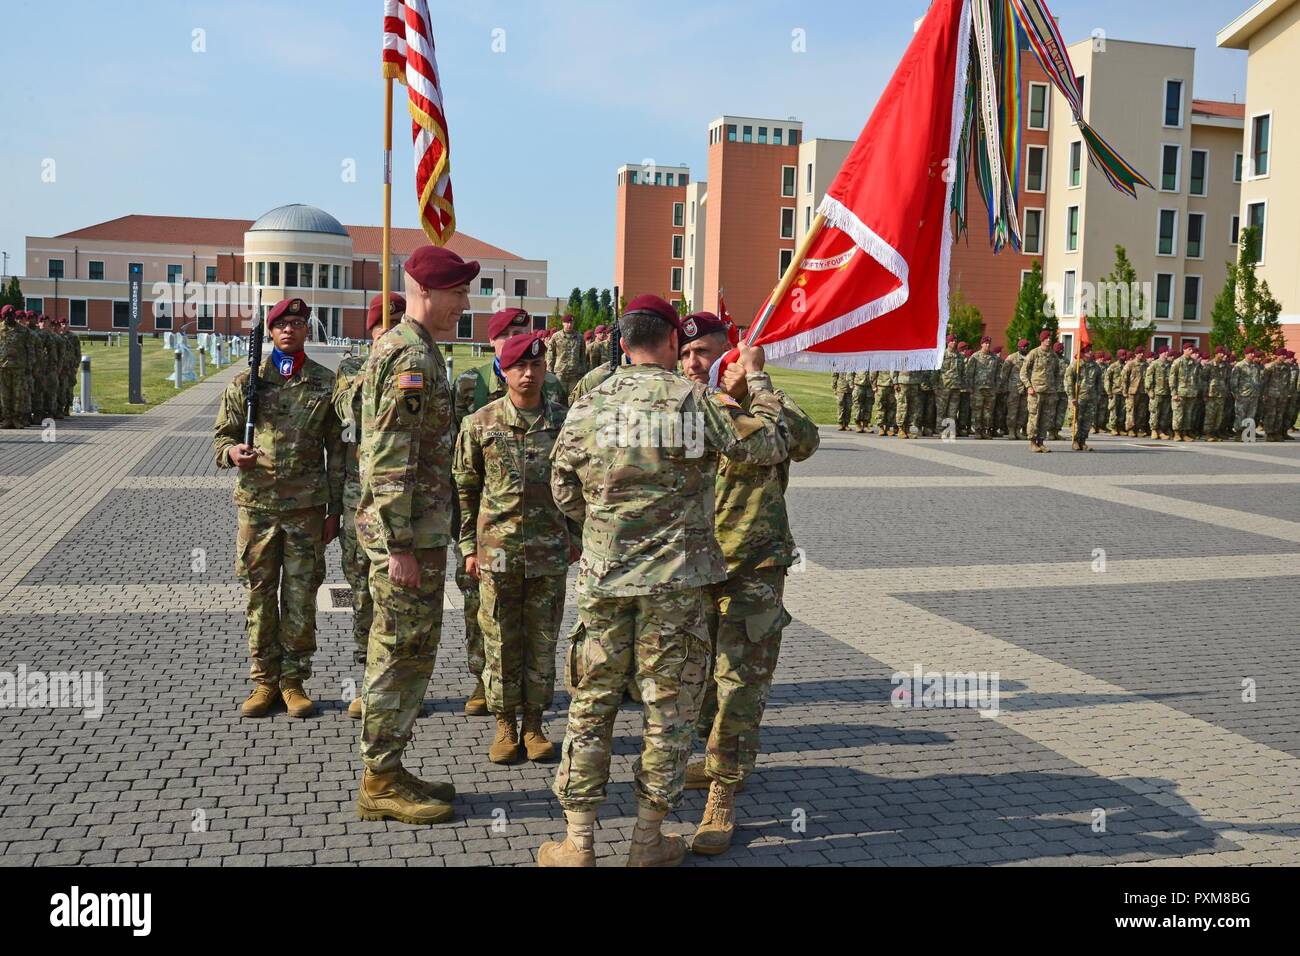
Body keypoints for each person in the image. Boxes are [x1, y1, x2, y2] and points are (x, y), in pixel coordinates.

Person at [540, 295, 788, 868]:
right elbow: (769, 445)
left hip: (603, 581)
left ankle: (577, 844)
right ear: (673, 342)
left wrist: (605, 529)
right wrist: (757, 378)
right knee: (667, 710)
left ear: (623, 343)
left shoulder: (590, 401)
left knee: (591, 705)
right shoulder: (694, 401)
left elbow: (560, 484)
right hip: (675, 585)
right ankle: (647, 840)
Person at [676, 311, 819, 856]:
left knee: (740, 684)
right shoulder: (681, 410)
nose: (695, 363)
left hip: (752, 571)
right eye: (687, 354)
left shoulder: (768, 410)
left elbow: (801, 441)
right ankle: (711, 759)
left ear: (731, 355)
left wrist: (757, 381)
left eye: (706, 353)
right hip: (693, 569)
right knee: (700, 681)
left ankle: (723, 794)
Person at [354, 246, 477, 825]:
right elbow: (388, 456)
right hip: (406, 538)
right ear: (428, 292)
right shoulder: (410, 356)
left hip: (418, 531)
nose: (465, 303)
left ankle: (391, 766)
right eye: (458, 292)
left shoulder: (419, 350)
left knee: (411, 651)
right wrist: (399, 545)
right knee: (398, 653)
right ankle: (379, 779)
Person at [213, 297, 343, 719]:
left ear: (308, 329)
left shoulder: (325, 383)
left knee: (302, 596)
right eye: (281, 324)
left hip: (306, 508)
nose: (289, 329)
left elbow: (336, 449)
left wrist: (334, 510)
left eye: (298, 323)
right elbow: (221, 437)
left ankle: (294, 682)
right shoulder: (247, 382)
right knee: (259, 595)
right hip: (258, 507)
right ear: (269, 332)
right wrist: (234, 453)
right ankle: (264, 681)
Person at [454, 331, 577, 764]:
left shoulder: (565, 422)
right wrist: (468, 545)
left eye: (536, 365)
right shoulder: (479, 424)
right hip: (497, 551)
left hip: (548, 552)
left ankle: (535, 725)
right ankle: (505, 724)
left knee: (542, 640)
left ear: (546, 369)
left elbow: (582, 486)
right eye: (519, 367)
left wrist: (576, 538)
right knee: (501, 640)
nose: (528, 374)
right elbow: (465, 490)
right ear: (503, 371)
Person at [333, 292, 404, 719]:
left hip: (401, 505)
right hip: (359, 505)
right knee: (363, 596)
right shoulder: (351, 368)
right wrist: (376, 365)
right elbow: (348, 410)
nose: (391, 334)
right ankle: (366, 682)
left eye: (398, 326)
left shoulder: (413, 365)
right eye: (384, 327)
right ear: (372, 330)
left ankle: (396, 685)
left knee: (398, 601)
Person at [1020, 330, 1056, 453]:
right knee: (1034, 417)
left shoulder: (1052, 355)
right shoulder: (1034, 353)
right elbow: (1023, 372)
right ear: (1042, 340)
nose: (1049, 340)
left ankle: (1041, 442)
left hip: (1049, 391)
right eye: (1046, 338)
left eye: (1050, 338)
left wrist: (1054, 387)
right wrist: (1028, 386)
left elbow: (1056, 372)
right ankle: (1032, 442)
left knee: (1045, 419)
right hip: (1035, 392)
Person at [1064, 343, 1103, 451]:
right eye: (1087, 350)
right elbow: (1068, 382)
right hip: (1078, 398)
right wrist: (1071, 397)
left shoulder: (1095, 366)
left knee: (1087, 421)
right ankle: (1075, 441)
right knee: (1077, 420)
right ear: (1082, 352)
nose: (1090, 352)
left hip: (1091, 398)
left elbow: (1099, 382)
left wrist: (1098, 395)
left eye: (1091, 350)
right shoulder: (1075, 365)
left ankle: (1083, 441)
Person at [0, 305, 29, 429]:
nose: (9, 318)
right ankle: (7, 419)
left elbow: (30, 349)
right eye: (7, 315)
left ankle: (16, 418)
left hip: (19, 366)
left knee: (18, 394)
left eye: (11, 315)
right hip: (2, 367)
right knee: (4, 394)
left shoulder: (23, 330)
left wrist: (30, 366)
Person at [547, 312, 588, 396]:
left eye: (571, 323)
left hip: (575, 374)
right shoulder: (556, 337)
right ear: (563, 323)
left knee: (574, 397)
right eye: (567, 322)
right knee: (558, 397)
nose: (569, 325)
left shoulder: (579, 337)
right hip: (560, 373)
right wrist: (550, 372)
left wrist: (583, 371)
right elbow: (550, 355)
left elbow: (583, 356)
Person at [1169, 342, 1201, 442]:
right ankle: (1177, 433)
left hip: (1191, 392)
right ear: (1184, 350)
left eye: (1192, 349)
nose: (1191, 351)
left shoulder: (1195, 363)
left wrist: (1196, 390)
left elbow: (1197, 378)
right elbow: (1172, 378)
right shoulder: (1178, 362)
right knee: (1178, 414)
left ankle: (1185, 433)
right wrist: (1173, 393)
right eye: (1189, 349)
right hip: (1180, 392)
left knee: (1188, 414)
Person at [968, 336, 999, 439]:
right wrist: (971, 388)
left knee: (988, 412)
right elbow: (969, 374)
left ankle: (986, 431)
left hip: (990, 388)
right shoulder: (975, 357)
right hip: (978, 388)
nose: (987, 345)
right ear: (981, 344)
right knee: (978, 410)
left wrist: (997, 387)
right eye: (985, 343)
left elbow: (998, 374)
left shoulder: (994, 358)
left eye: (989, 343)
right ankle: (977, 431)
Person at [1004, 338, 1029, 440]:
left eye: (1027, 346)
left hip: (1025, 388)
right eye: (1023, 347)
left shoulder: (1030, 357)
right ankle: (1011, 431)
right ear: (1019, 348)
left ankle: (1018, 430)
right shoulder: (1011, 358)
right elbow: (1004, 374)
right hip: (1013, 388)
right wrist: (1005, 388)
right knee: (1012, 411)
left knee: (1023, 411)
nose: (1025, 348)